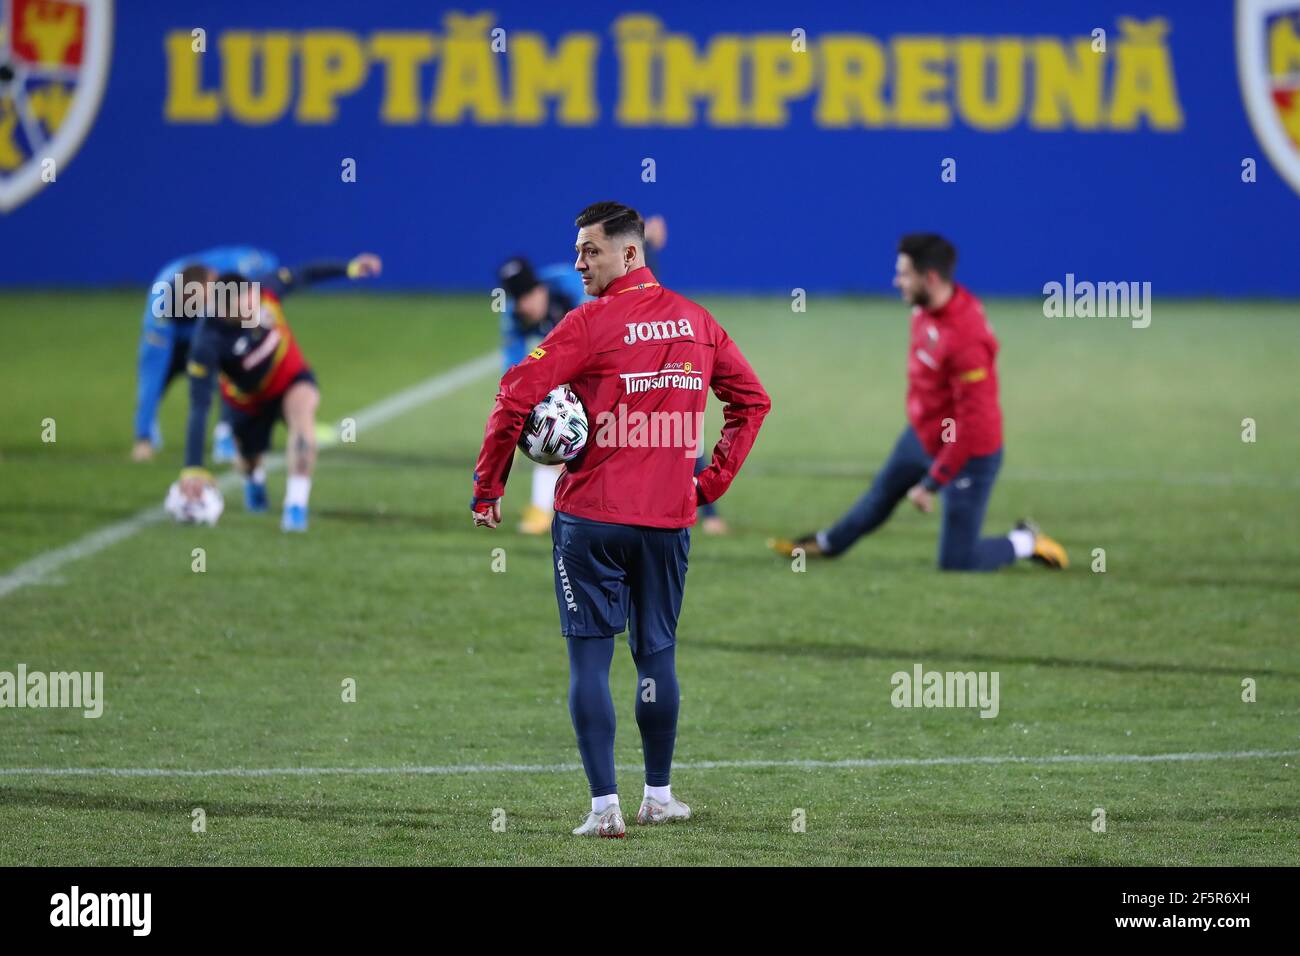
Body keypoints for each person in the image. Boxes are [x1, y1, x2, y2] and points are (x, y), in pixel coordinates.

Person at [471, 202, 770, 837]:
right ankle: (658, 796)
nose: (578, 262)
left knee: (589, 665)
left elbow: (514, 393)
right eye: (577, 250)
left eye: (591, 251)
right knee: (656, 658)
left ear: (629, 253)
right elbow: (752, 403)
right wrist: (708, 481)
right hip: (666, 521)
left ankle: (605, 808)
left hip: (589, 520)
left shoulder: (588, 323)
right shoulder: (696, 321)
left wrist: (488, 485)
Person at [770, 233, 1066, 570]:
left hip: (966, 455)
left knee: (958, 561)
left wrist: (933, 481)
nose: (896, 281)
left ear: (931, 278)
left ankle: (1026, 540)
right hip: (923, 434)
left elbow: (973, 423)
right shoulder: (925, 307)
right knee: (878, 498)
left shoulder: (966, 339)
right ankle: (826, 544)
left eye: (904, 274)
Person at [177, 254, 382, 532]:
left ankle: (295, 506)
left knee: (303, 417)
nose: (253, 307)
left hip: (291, 379)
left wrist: (348, 268)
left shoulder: (266, 290)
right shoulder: (208, 342)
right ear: (225, 311)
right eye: (245, 307)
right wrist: (193, 467)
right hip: (248, 401)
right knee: (248, 461)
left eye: (252, 299)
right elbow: (199, 406)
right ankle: (254, 479)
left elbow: (304, 273)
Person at [133, 246, 278, 463]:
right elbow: (152, 372)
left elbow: (270, 265)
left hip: (210, 335)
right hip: (174, 345)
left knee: (234, 376)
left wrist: (260, 306)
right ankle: (147, 433)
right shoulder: (160, 304)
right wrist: (141, 438)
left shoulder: (236, 266)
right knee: (159, 384)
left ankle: (228, 434)